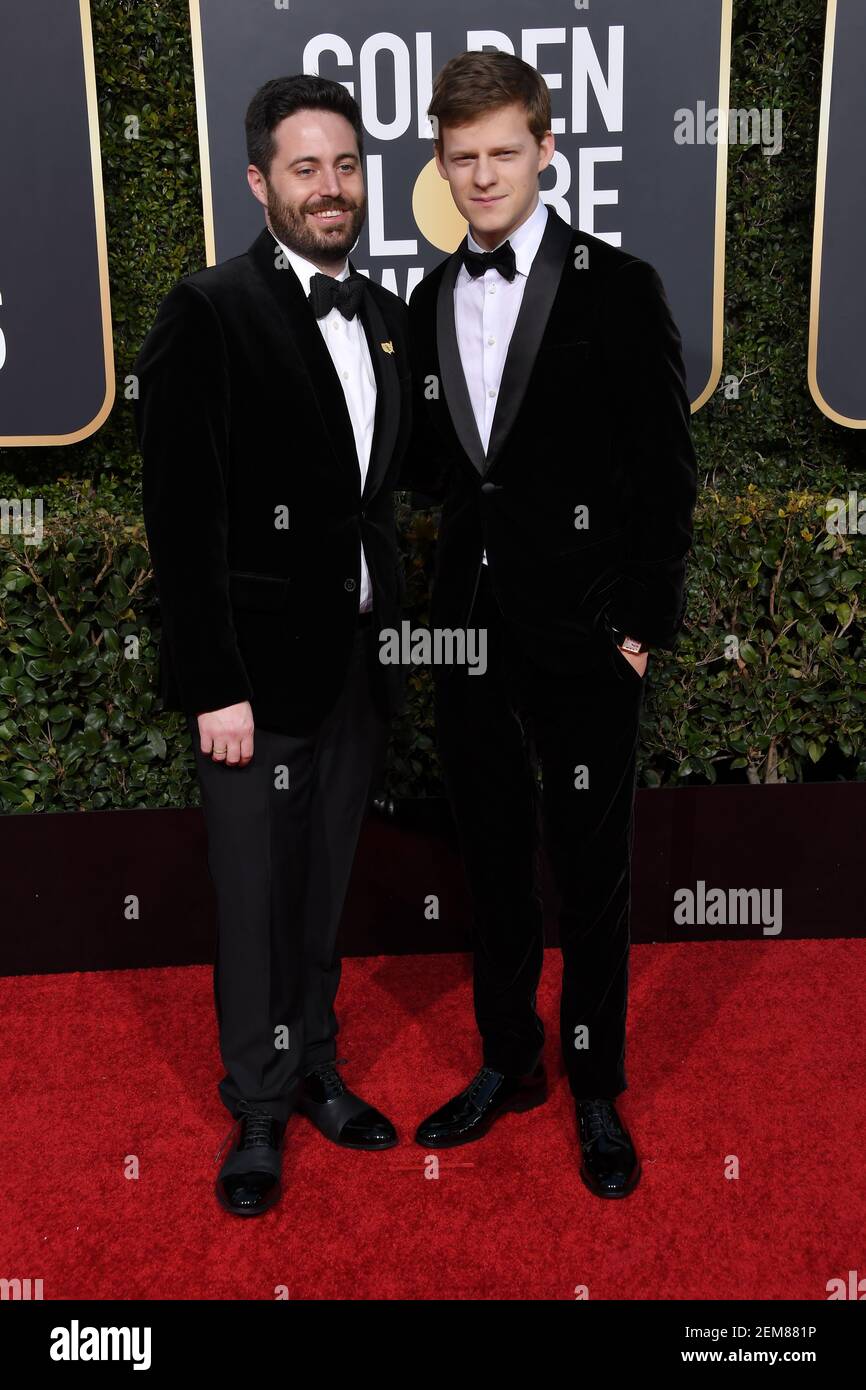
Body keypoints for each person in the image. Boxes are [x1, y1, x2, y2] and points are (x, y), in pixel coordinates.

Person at [405, 51, 697, 1198]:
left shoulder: (618, 285)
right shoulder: (430, 298)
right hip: (465, 631)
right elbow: (440, 472)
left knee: (591, 873)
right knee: (490, 864)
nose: (482, 175)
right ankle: (508, 1064)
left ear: (544, 149)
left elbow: (663, 472)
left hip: (585, 634)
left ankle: (595, 1089)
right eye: (461, 157)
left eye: (502, 153)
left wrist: (638, 623)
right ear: (442, 164)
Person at [135, 74, 412, 1216]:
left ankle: (314, 1070)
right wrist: (213, 683)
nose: (330, 188)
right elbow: (179, 515)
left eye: (344, 165)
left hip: (355, 663)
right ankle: (255, 1107)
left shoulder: (389, 317)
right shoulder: (209, 309)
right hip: (249, 678)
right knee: (252, 894)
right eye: (304, 168)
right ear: (258, 182)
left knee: (320, 884)